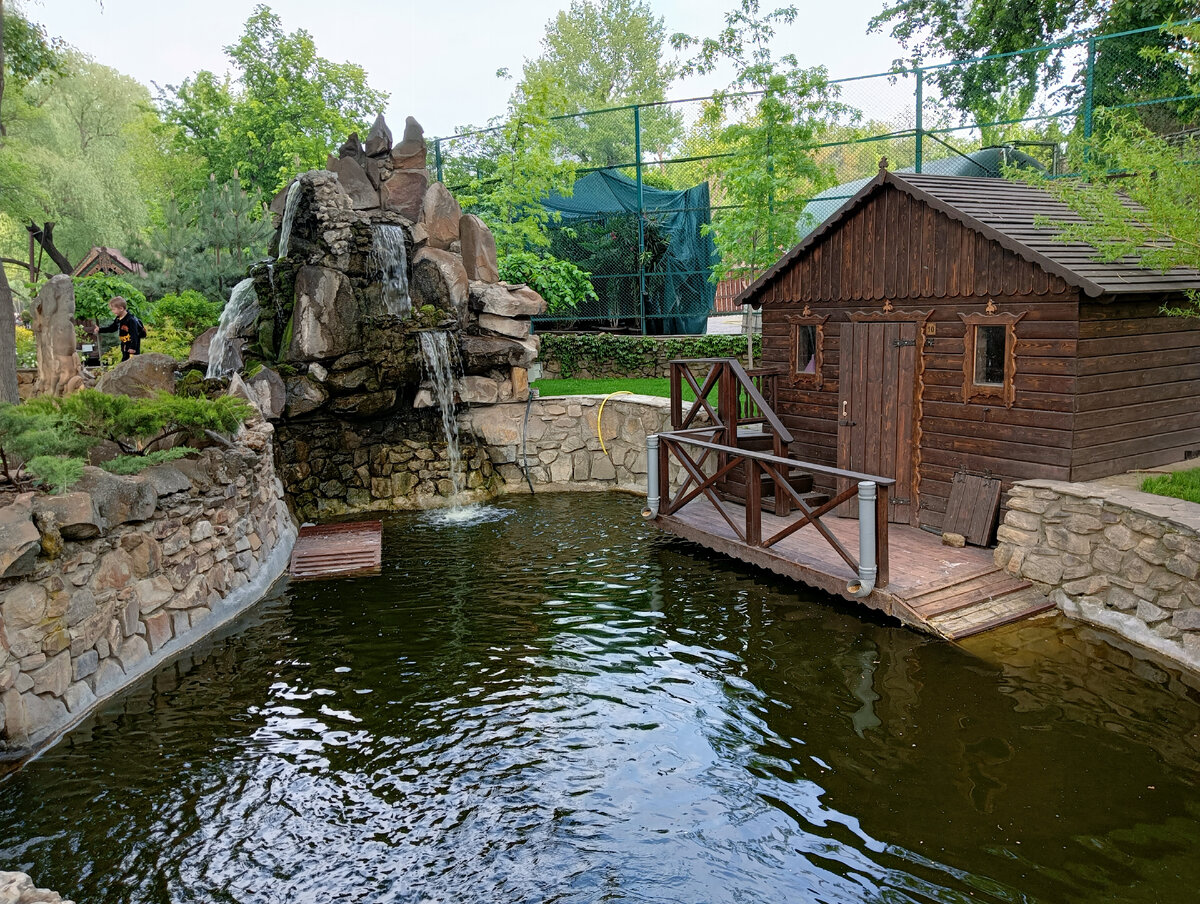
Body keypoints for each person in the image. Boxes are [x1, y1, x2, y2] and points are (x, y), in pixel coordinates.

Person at [92, 296, 144, 361]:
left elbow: (135, 335)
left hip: (132, 348)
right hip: (124, 345)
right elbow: (112, 328)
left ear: (121, 308)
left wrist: (133, 348)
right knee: (124, 362)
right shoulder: (118, 318)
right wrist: (100, 329)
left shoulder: (130, 320)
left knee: (132, 365)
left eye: (113, 309)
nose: (112, 311)